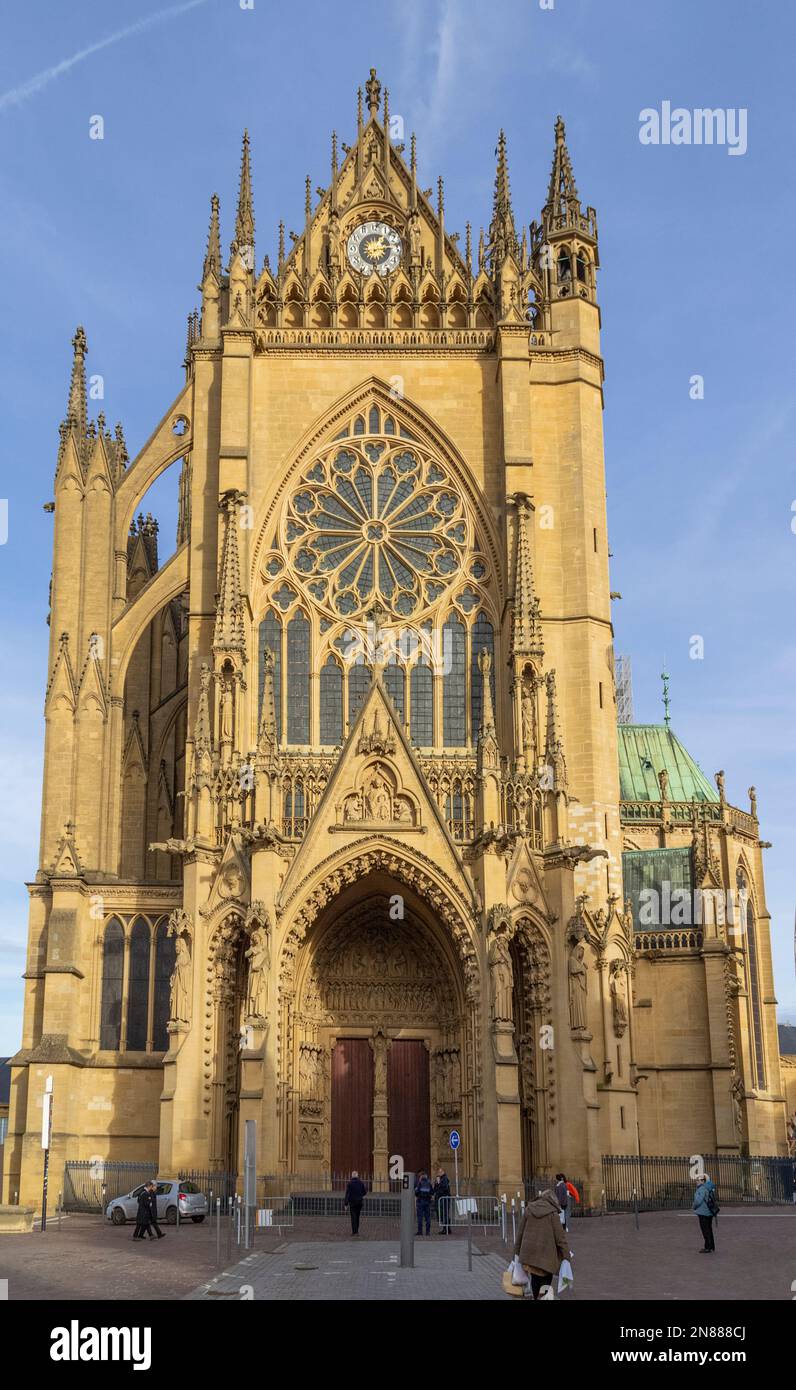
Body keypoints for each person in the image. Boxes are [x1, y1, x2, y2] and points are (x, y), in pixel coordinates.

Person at [513, 1189, 570, 1299]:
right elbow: (560, 1238)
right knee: (546, 1281)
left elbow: (520, 1232)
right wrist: (566, 1255)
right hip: (546, 1254)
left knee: (535, 1277)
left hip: (530, 1253)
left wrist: (516, 1252)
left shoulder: (529, 1209)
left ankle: (536, 1297)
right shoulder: (553, 1214)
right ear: (553, 1200)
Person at [692, 1174, 718, 1252]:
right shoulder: (708, 1187)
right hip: (709, 1211)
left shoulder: (702, 1189)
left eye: (698, 1180)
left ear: (703, 1181)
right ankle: (711, 1246)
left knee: (705, 1230)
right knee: (709, 1229)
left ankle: (707, 1247)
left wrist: (694, 1206)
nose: (696, 1182)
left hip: (703, 1212)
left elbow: (698, 1201)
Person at [344, 1171, 367, 1235]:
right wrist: (360, 1195)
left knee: (353, 1217)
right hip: (359, 1202)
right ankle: (357, 1230)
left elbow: (347, 1194)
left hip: (352, 1202)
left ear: (352, 1176)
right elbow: (364, 1192)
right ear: (357, 1176)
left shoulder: (349, 1183)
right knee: (357, 1216)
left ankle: (354, 1231)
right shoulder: (361, 1183)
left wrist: (346, 1204)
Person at [415, 1171, 434, 1236]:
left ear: (421, 1177)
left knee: (420, 1217)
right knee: (428, 1218)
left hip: (420, 1202)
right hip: (427, 1202)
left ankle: (420, 1231)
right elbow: (432, 1192)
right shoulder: (429, 1183)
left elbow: (417, 1192)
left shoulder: (419, 1183)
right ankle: (427, 1232)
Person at [433, 1168, 452, 1235]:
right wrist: (436, 1183)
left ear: (443, 1172)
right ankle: (447, 1229)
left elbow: (445, 1188)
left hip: (444, 1199)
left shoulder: (445, 1179)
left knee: (445, 1214)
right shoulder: (439, 1179)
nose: (439, 1172)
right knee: (443, 1214)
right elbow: (435, 1189)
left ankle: (446, 1229)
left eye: (440, 1171)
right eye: (438, 1171)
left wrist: (438, 1183)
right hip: (440, 1199)